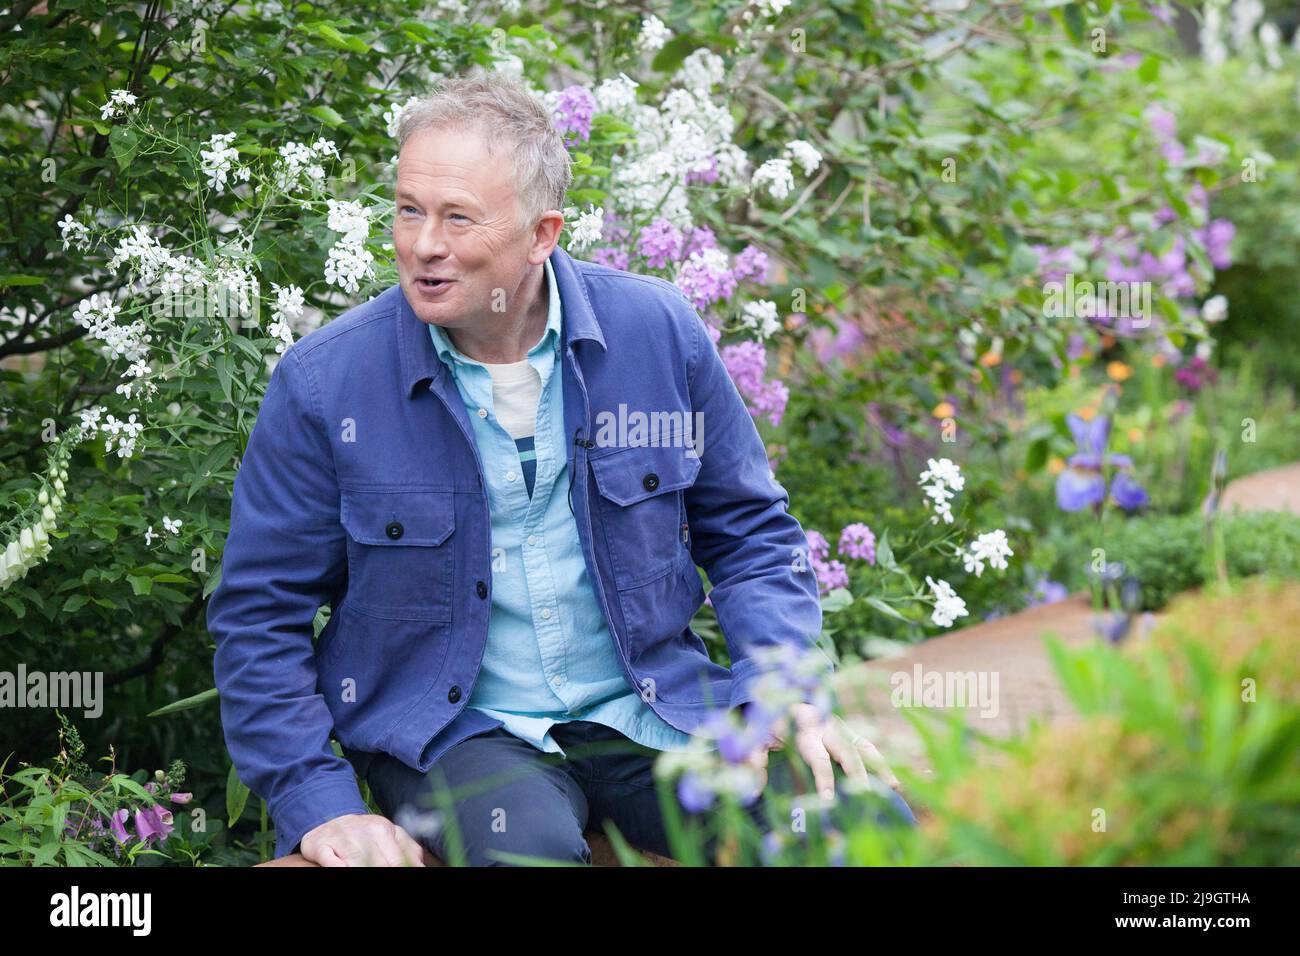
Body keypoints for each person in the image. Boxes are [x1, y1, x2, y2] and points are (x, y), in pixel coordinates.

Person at [207, 69, 913, 867]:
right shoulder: (325, 382)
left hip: (656, 709)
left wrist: (783, 685)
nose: (424, 245)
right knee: (528, 854)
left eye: (457, 219)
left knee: (858, 824)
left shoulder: (656, 333)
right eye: (409, 211)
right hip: (458, 735)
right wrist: (318, 801)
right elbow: (259, 613)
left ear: (542, 235)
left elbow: (750, 530)